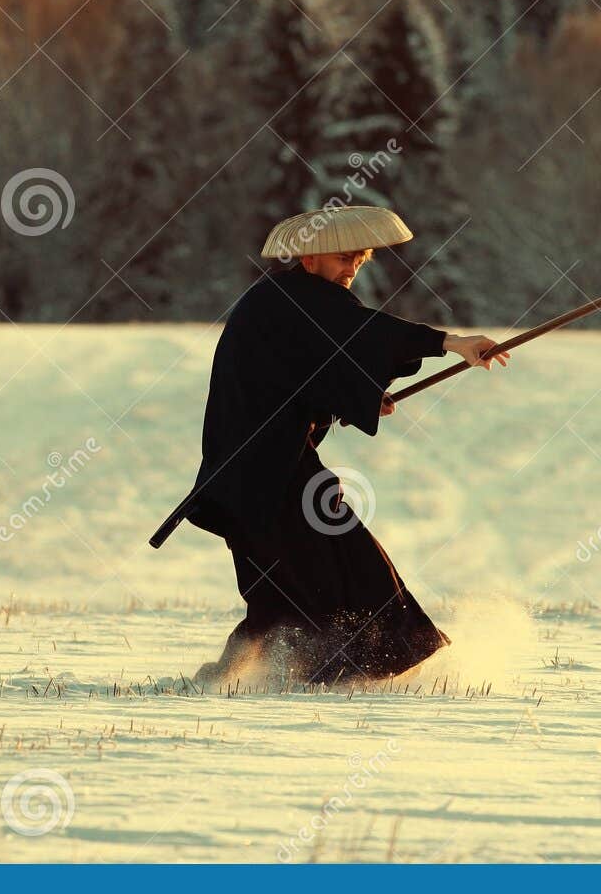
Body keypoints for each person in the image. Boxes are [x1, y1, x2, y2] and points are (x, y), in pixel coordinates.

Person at [185, 205, 506, 688]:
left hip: (244, 476)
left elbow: (305, 373)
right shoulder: (302, 299)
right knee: (352, 564)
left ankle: (230, 677)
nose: (351, 268)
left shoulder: (279, 301)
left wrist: (360, 396)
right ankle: (348, 672)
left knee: (278, 592)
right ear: (309, 259)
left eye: (360, 258)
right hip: (268, 474)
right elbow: (364, 336)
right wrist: (452, 342)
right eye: (342, 258)